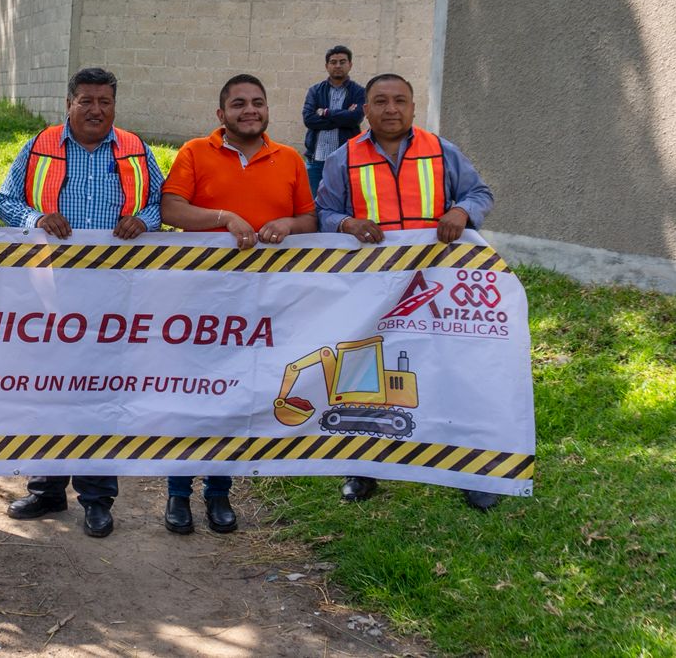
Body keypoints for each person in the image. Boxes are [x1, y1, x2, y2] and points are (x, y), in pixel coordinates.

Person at [314, 73, 499, 511]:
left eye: (400, 101)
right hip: (371, 292)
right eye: (380, 101)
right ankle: (363, 469)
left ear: (414, 108)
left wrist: (460, 210)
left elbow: (479, 192)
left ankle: (468, 470)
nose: (391, 108)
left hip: (435, 289)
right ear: (365, 109)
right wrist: (346, 224)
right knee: (365, 379)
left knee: (451, 374)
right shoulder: (344, 158)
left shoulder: (440, 151)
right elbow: (323, 210)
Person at [0, 66, 164, 539]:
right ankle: (47, 487)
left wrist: (142, 221)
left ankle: (96, 497)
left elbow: (161, 203)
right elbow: (4, 201)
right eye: (86, 101)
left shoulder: (135, 150)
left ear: (115, 105)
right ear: (68, 104)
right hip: (47, 291)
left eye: (104, 102)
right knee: (48, 386)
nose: (95, 110)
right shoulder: (39, 146)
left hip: (112, 293)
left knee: (99, 390)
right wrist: (35, 217)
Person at [159, 74, 317, 535]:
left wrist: (288, 224)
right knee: (190, 396)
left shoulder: (288, 159)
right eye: (239, 104)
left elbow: (310, 217)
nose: (250, 110)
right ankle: (177, 492)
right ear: (220, 114)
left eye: (258, 103)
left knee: (237, 394)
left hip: (264, 304)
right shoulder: (194, 152)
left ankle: (220, 493)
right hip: (200, 300)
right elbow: (171, 210)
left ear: (267, 110)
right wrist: (224, 218)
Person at [301, 46, 366, 197]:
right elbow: (309, 119)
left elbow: (356, 117)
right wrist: (344, 117)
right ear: (327, 66)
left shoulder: (359, 92)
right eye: (333, 62)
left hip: (345, 159)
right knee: (314, 203)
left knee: (342, 201)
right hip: (316, 160)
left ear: (350, 65)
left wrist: (326, 113)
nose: (338, 65)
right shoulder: (315, 91)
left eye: (342, 62)